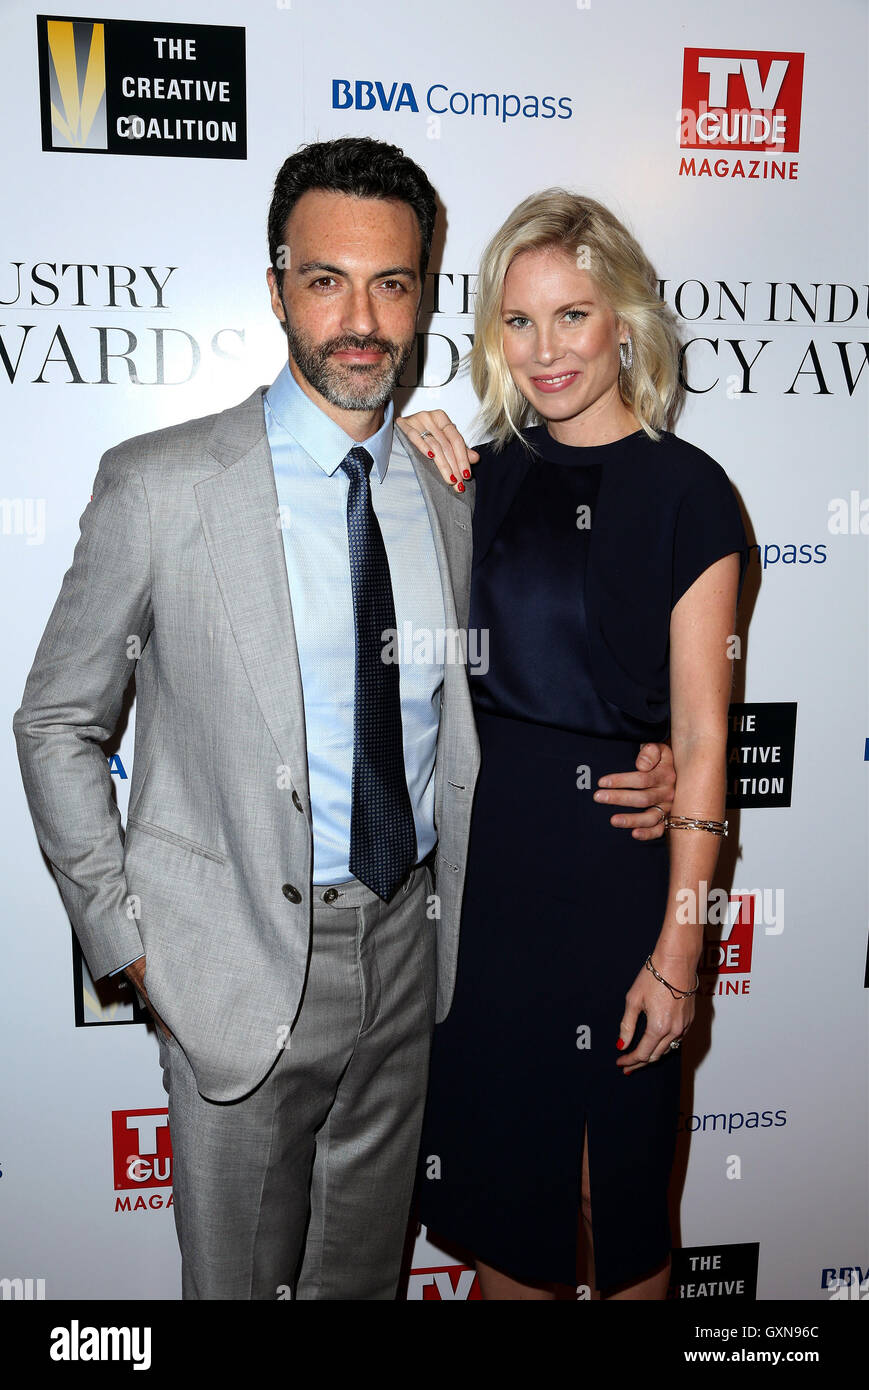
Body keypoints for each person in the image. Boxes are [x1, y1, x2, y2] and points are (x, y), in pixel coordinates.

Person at [13, 144, 676, 1301]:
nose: (361, 320)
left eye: (392, 283)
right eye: (326, 280)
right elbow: (58, 718)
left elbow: (520, 692)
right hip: (229, 965)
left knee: (361, 1281)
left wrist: (654, 761)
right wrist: (126, 941)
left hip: (416, 952)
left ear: (423, 297)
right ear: (275, 288)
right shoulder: (160, 484)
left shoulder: (450, 490)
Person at [397, 189, 748, 1300]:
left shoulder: (688, 495)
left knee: (620, 1205)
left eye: (570, 315)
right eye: (516, 321)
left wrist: (678, 957)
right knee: (511, 1215)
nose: (544, 350)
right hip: (484, 901)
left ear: (623, 323)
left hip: (613, 897)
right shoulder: (473, 479)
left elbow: (700, 737)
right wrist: (395, 447)